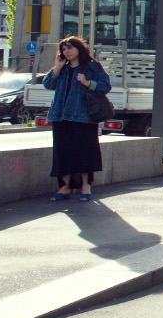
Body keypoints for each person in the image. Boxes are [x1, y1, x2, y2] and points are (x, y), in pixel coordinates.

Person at [42, 35, 112, 202]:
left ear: (79, 49)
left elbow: (105, 85)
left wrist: (88, 83)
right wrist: (57, 68)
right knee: (62, 153)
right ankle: (64, 187)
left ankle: (86, 186)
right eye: (63, 49)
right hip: (61, 117)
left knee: (85, 152)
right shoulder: (63, 68)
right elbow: (47, 84)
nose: (66, 52)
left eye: (70, 48)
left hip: (83, 117)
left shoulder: (91, 67)